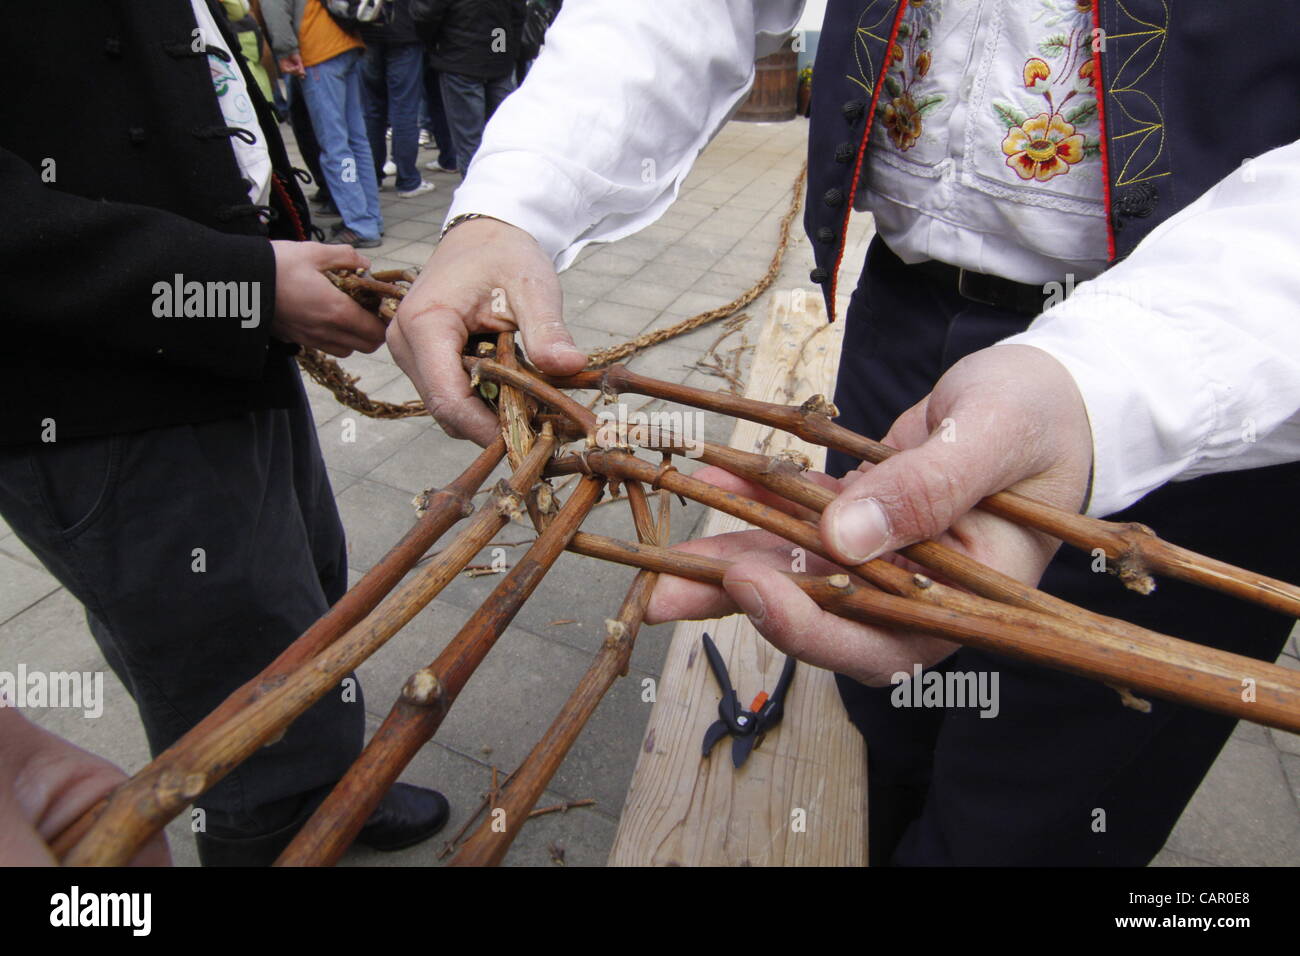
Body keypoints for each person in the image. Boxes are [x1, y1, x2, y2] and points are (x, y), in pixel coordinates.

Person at [388, 1, 1300, 866]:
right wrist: (512, 206)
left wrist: (1120, 383)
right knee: (882, 707)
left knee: (1049, 816)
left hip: (1226, 379)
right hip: (899, 323)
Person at [2, 0, 448, 866]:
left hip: (225, 342)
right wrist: (236, 281)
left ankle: (325, 794)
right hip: (101, 390)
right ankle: (272, 833)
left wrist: (262, 269)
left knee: (299, 598)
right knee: (226, 667)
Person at [263, 0, 385, 247]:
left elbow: (273, 7)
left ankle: (360, 224)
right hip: (346, 40)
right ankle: (371, 218)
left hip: (317, 50)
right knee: (356, 141)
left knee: (335, 146)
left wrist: (285, 50)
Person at [412, 0, 525, 178]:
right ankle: (501, 191)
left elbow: (427, 14)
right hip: (493, 52)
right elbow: (518, 11)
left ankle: (479, 197)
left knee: (471, 142)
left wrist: (436, 43)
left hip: (462, 56)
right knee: (500, 137)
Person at [360, 0, 437, 198]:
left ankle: (372, 177)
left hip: (368, 29)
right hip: (405, 33)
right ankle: (408, 180)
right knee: (404, 110)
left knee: (372, 111)